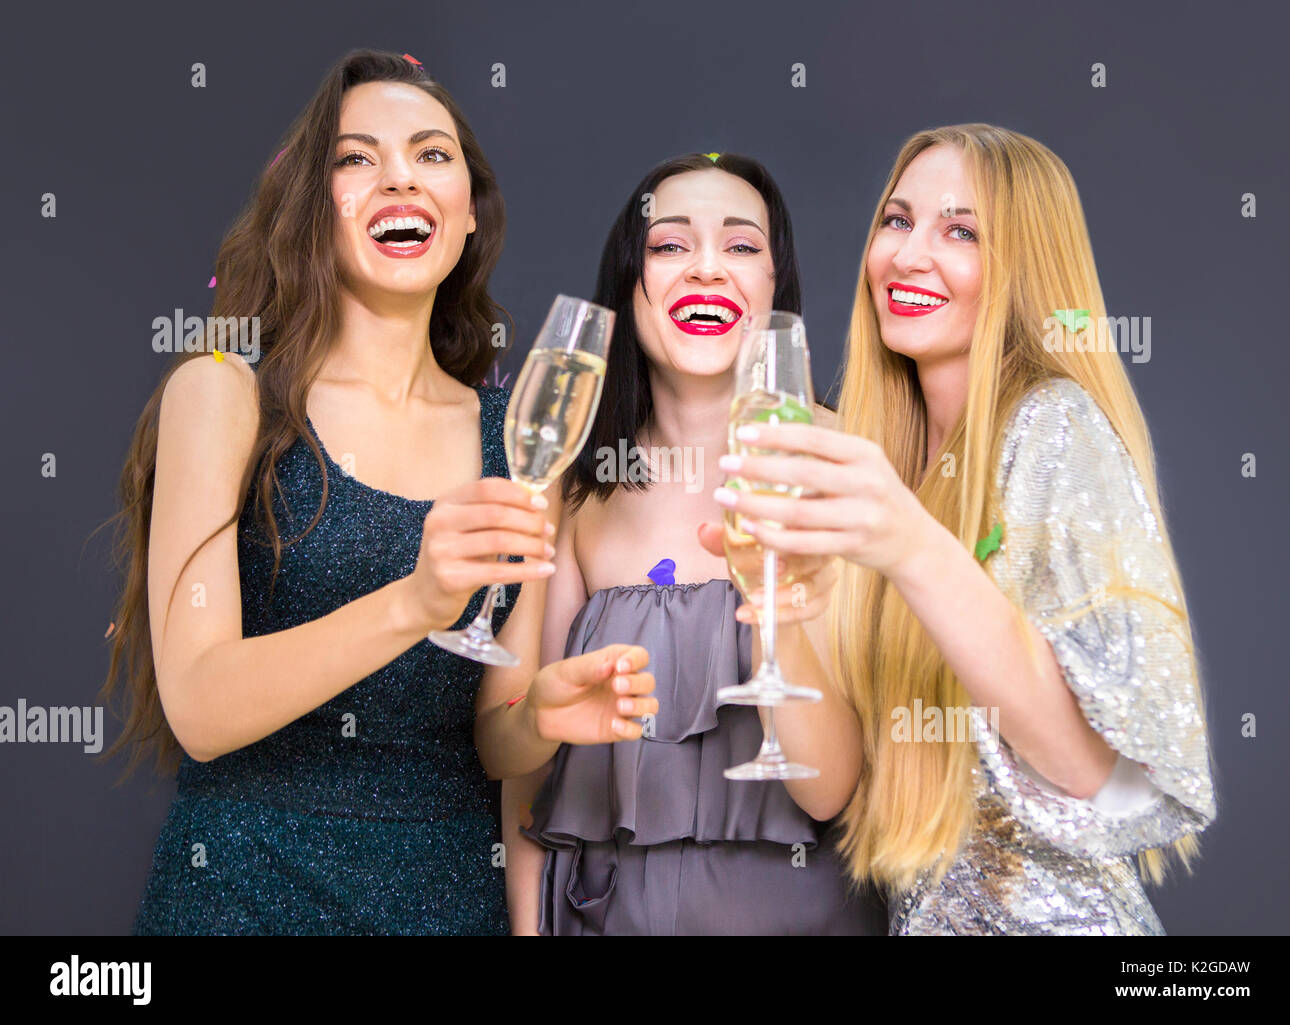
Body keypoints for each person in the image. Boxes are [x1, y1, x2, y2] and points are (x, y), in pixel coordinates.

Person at [98, 49, 655, 936]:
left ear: (469, 211)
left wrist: (542, 712)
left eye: (432, 155)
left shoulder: (520, 434)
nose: (400, 175)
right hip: (242, 893)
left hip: (444, 901)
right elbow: (199, 706)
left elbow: (492, 726)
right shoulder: (223, 395)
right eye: (356, 159)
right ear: (312, 210)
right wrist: (415, 600)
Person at [712, 124, 1216, 934]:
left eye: (961, 231)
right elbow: (826, 789)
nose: (909, 255)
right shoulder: (886, 462)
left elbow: (1094, 770)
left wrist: (912, 546)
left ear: (1022, 267)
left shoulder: (1053, 426)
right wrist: (784, 613)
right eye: (897, 221)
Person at [505, 153, 885, 935]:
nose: (707, 267)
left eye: (742, 246)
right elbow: (520, 769)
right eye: (671, 245)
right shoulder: (577, 488)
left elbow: (829, 788)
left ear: (776, 288)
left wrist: (774, 605)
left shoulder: (846, 465)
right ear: (628, 284)